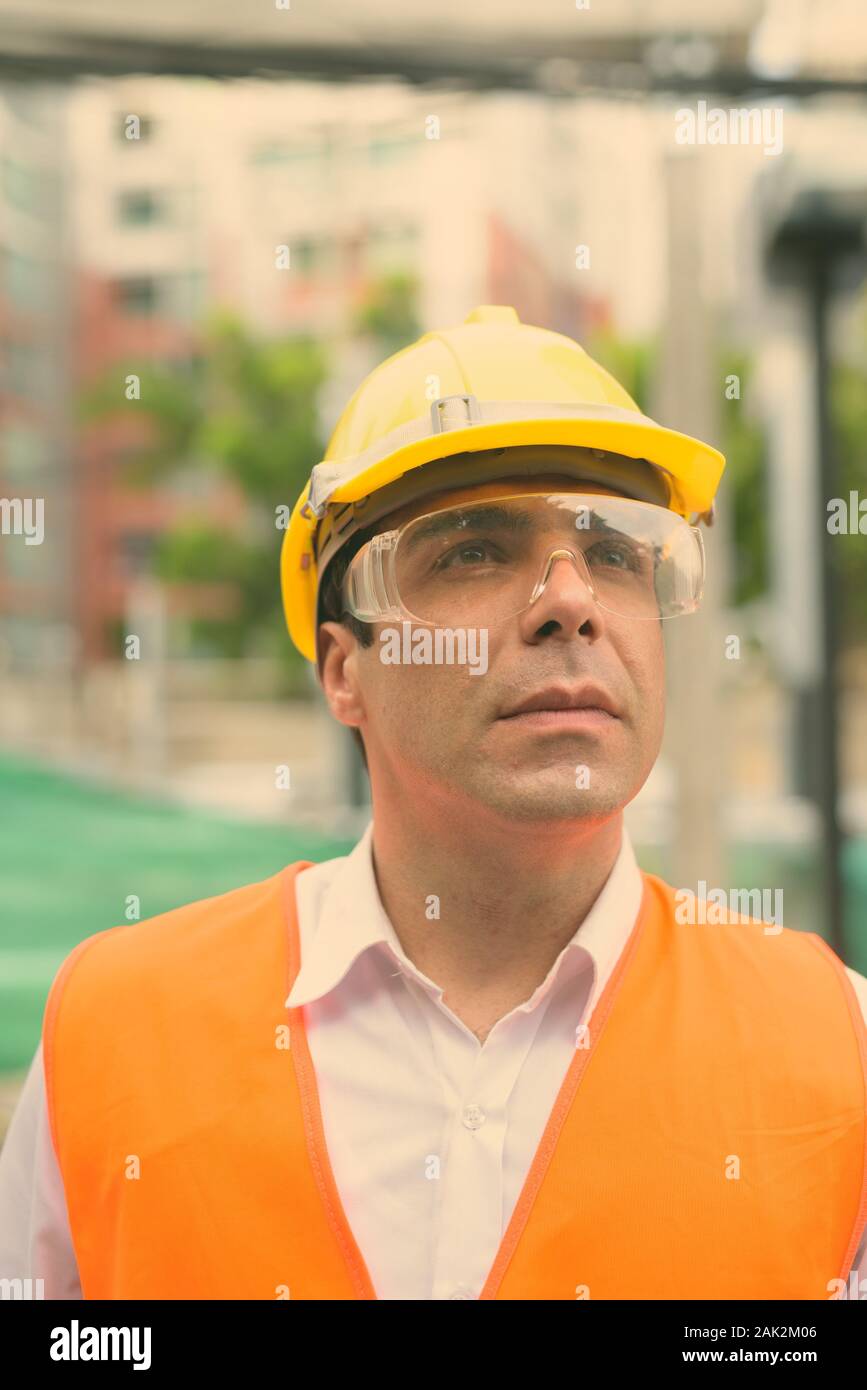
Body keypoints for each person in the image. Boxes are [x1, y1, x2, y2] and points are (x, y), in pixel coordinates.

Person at [1, 305, 865, 1300]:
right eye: (472, 549)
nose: (569, 598)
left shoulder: (836, 1047)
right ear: (343, 669)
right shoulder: (109, 1038)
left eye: (620, 550)